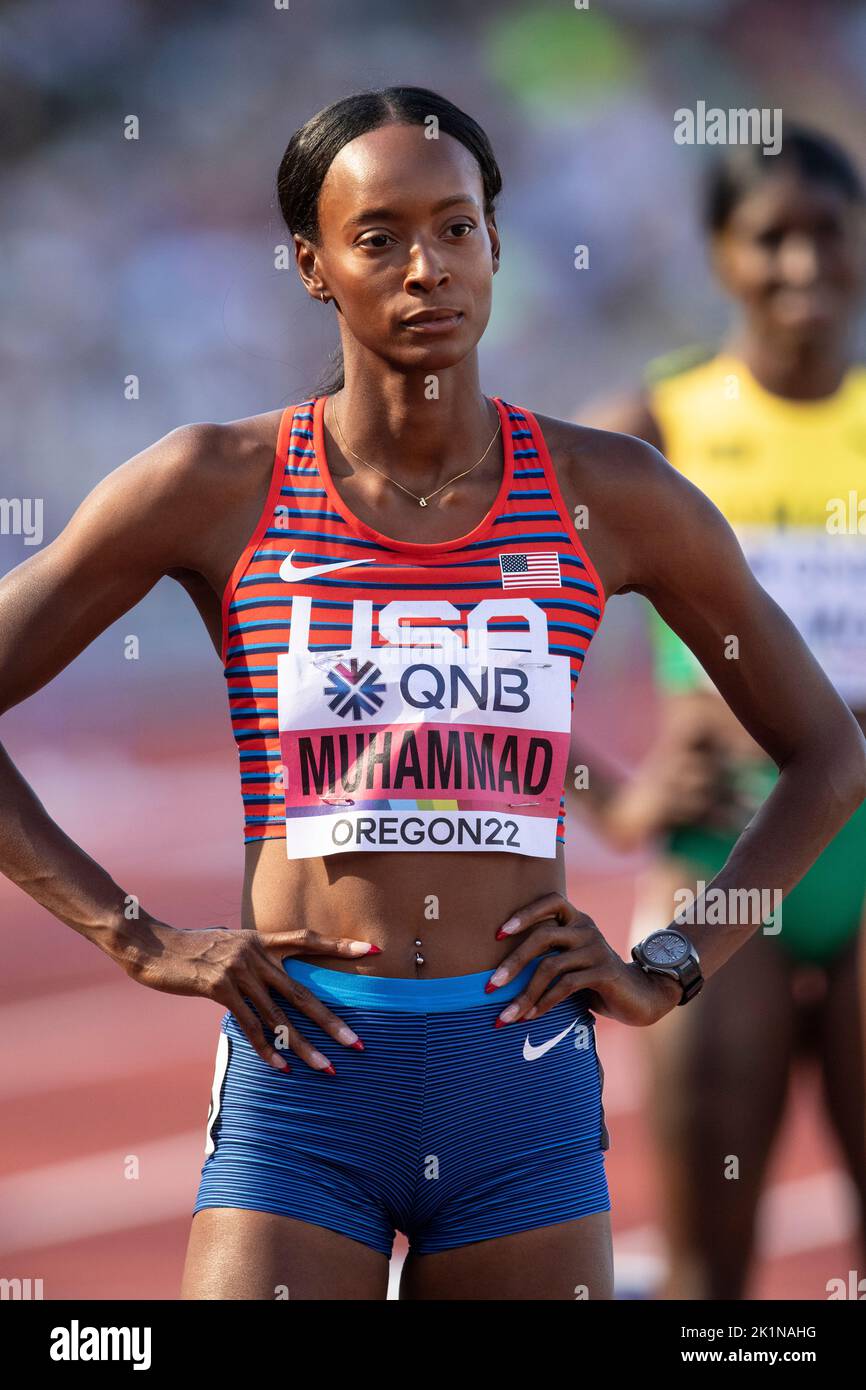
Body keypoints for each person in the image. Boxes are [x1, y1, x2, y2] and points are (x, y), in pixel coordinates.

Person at [0, 91, 863, 1302]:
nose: (426, 270)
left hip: (521, 1091)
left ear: (499, 244)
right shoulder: (213, 482)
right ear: (311, 265)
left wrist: (671, 960)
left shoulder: (610, 492)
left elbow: (826, 753)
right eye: (379, 238)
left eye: (456, 229)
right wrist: (132, 935)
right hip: (303, 1082)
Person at [580, 126, 866, 1299]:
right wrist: (615, 800)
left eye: (827, 235)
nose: (800, 267)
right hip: (720, 862)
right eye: (769, 240)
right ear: (718, 256)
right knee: (709, 1278)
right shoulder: (654, 426)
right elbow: (481, 634)